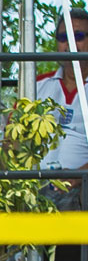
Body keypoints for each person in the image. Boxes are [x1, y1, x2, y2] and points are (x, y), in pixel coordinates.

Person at [37, 9, 88, 170]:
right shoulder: (38, 85)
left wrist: (78, 177)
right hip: (35, 186)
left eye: (78, 36)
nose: (70, 44)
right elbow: (11, 139)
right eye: (63, 37)